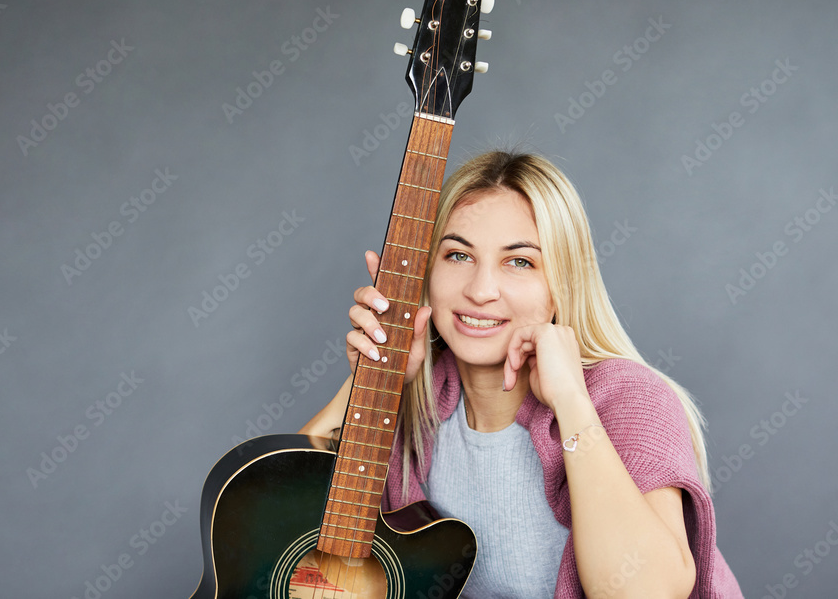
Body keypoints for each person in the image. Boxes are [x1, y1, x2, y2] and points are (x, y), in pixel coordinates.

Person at [300, 151, 743, 597]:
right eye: (457, 255)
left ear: (562, 285)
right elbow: (274, 531)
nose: (479, 291)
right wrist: (369, 383)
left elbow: (645, 593)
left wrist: (571, 402)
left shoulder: (630, 397)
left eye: (519, 262)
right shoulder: (419, 400)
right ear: (426, 272)